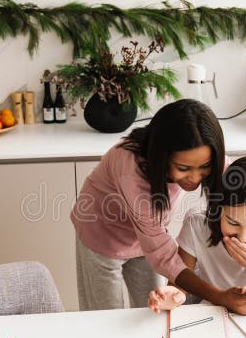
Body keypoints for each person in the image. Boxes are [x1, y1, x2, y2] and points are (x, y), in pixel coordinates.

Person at [72, 99, 227, 310]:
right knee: (105, 316)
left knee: (155, 306)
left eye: (205, 166)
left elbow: (241, 177)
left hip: (146, 238)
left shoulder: (197, 154)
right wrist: (219, 296)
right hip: (101, 235)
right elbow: (162, 252)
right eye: (183, 168)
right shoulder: (130, 168)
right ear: (161, 157)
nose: (195, 177)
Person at [148, 156, 246, 315]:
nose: (243, 237)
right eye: (233, 223)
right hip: (215, 318)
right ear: (218, 210)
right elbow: (179, 286)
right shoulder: (197, 225)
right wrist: (172, 297)